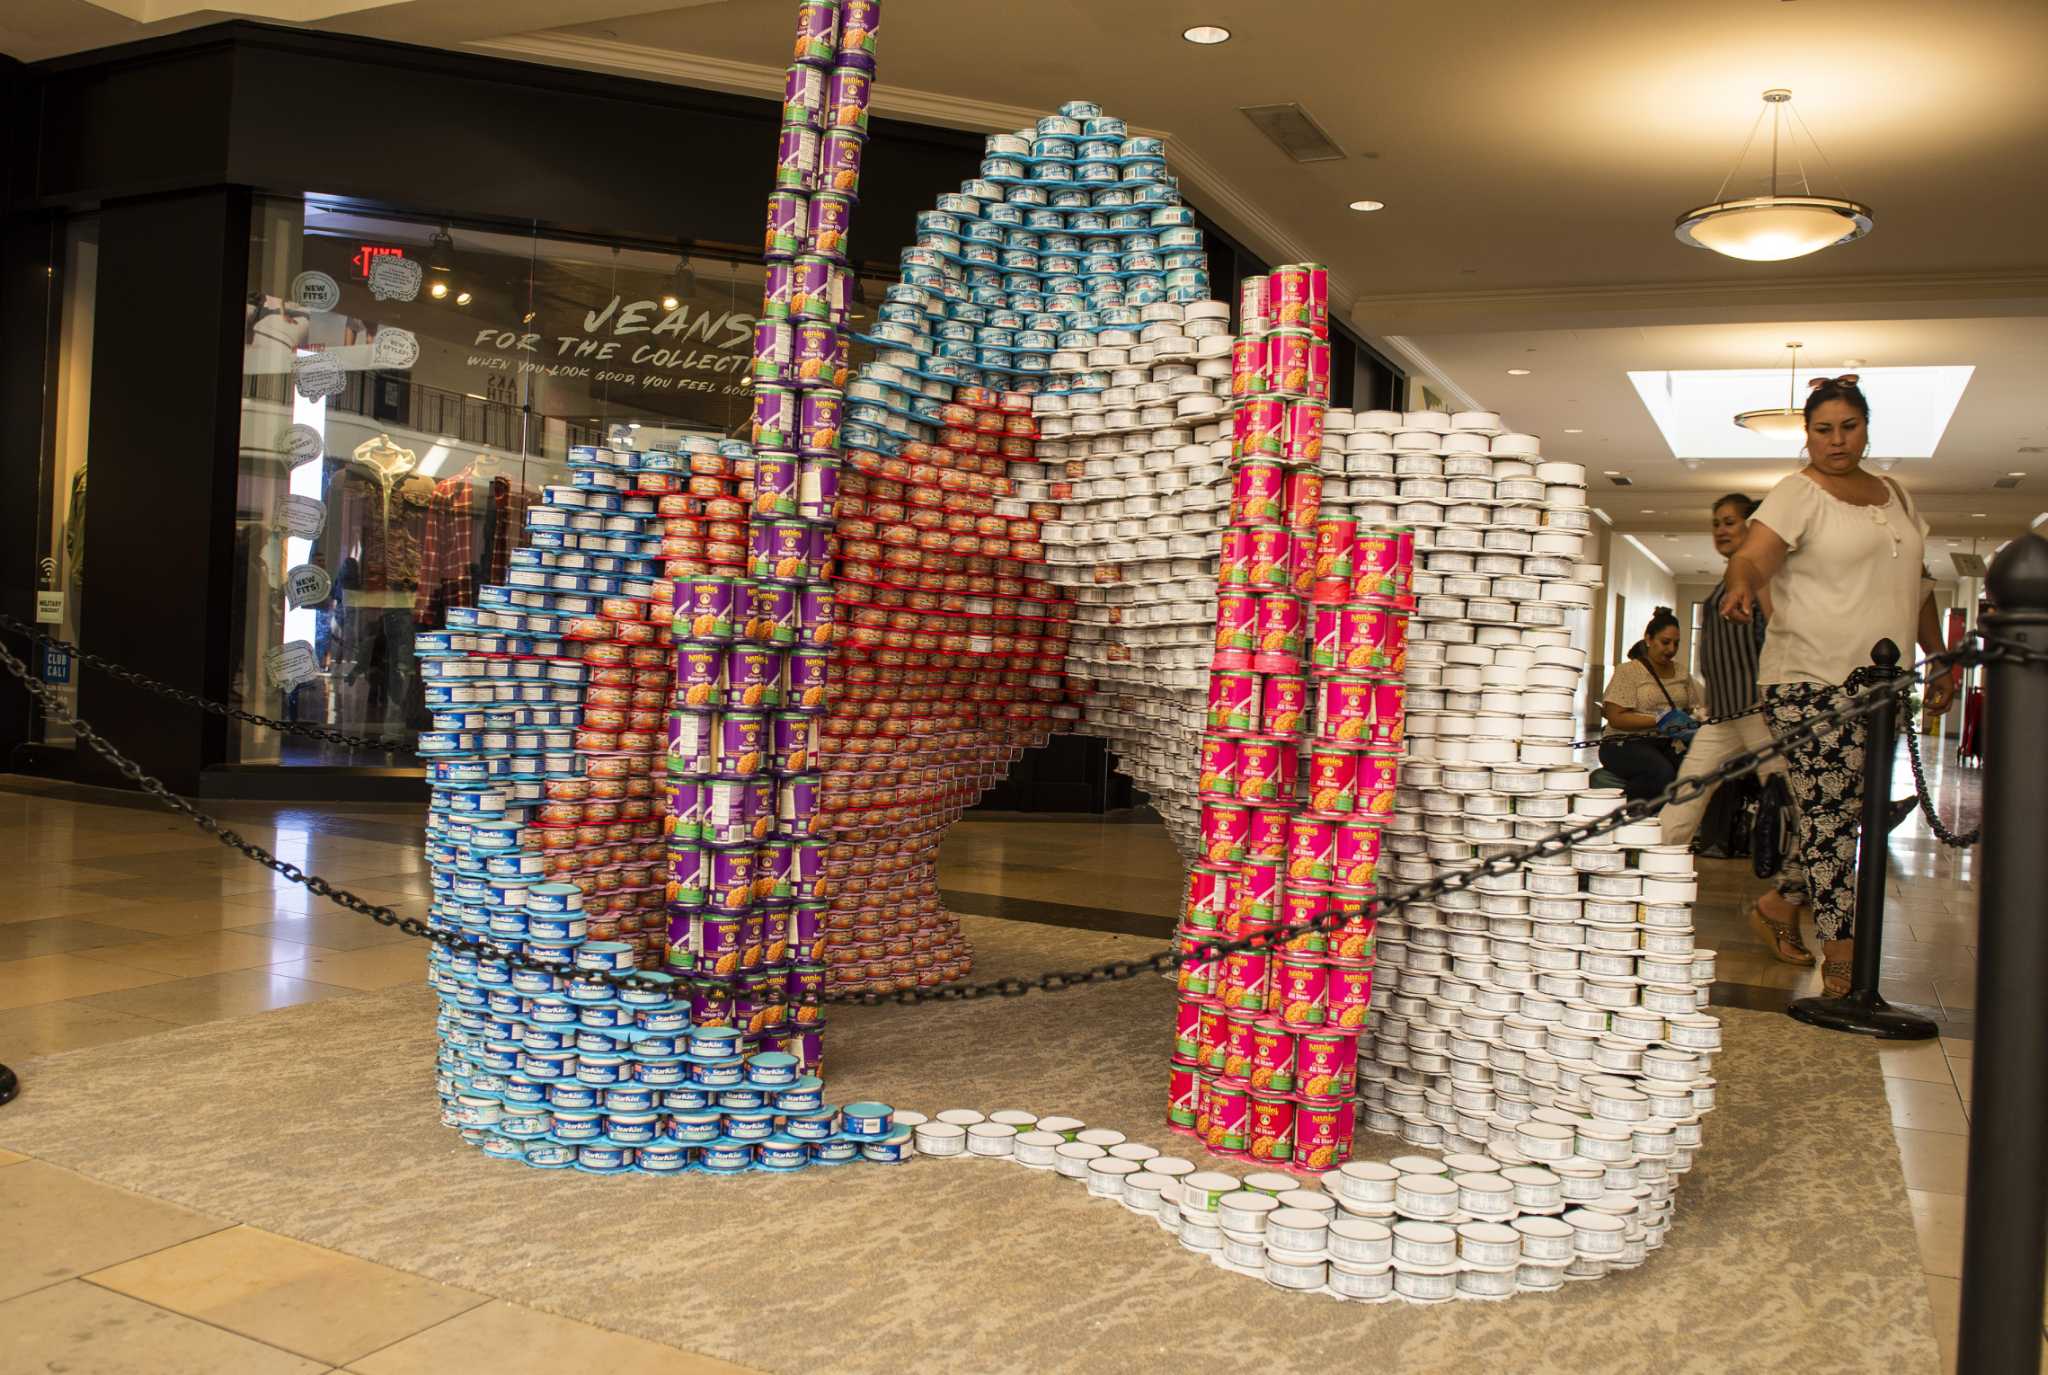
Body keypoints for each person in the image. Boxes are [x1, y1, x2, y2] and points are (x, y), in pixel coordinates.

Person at [1721, 375, 1956, 997]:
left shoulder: (1897, 494)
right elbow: (1754, 554)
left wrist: (1939, 657)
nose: (1836, 440)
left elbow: (1920, 584)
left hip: (1881, 688)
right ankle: (1846, 967)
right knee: (1830, 822)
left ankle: (1778, 906)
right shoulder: (1798, 493)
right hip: (1809, 681)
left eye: (1848, 427)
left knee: (1847, 817)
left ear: (1866, 428)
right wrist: (1742, 583)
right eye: (1822, 429)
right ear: (1807, 435)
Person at [1658, 494, 1799, 861]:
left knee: (1781, 790)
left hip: (1758, 712)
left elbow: (1778, 638)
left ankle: (1798, 869)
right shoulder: (1729, 578)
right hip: (1723, 716)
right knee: (1688, 786)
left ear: (1753, 527)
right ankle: (1660, 858)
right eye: (1716, 523)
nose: (1720, 530)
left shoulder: (1763, 578)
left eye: (1730, 522)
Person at [1597, 608, 1706, 801]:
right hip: (1625, 743)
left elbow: (1694, 707)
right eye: (1665, 642)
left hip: (1666, 742)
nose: (1671, 649)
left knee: (1695, 771)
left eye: (1676, 643)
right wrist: (1659, 720)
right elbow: (1616, 717)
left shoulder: (1681, 672)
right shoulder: (1629, 672)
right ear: (1648, 639)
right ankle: (1628, 814)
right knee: (1661, 773)